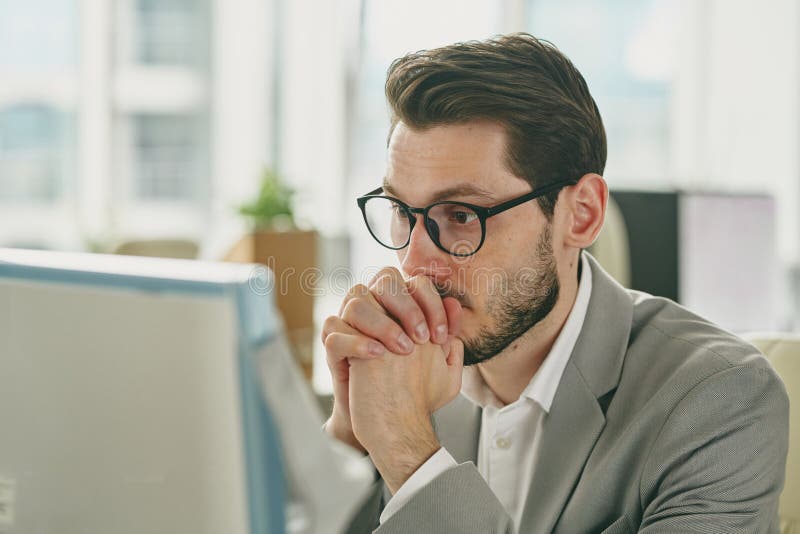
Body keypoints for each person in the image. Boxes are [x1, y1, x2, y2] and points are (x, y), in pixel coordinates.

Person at [322, 33, 789, 533]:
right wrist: (346, 445)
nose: (413, 260)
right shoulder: (403, 376)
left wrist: (410, 456)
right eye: (400, 211)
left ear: (581, 215)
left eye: (460, 214)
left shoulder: (718, 401)